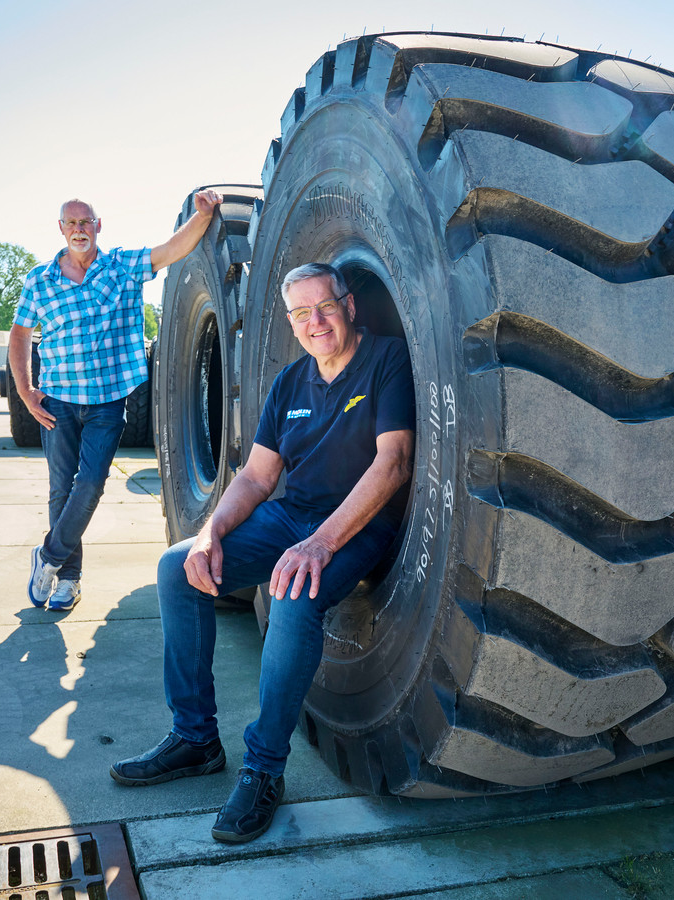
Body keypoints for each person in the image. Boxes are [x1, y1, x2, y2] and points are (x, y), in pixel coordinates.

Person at [110, 262, 415, 843]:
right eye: (301, 313)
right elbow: (255, 477)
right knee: (177, 569)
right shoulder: (289, 383)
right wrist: (210, 534)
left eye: (325, 306)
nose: (315, 321)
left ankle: (264, 770)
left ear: (349, 307)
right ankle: (195, 739)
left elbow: (393, 462)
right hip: (290, 517)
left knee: (294, 594)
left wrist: (320, 542)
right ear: (291, 323)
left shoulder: (386, 360)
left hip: (356, 525)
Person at [10, 191, 222, 611]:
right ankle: (68, 580)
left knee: (89, 484)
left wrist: (202, 216)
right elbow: (20, 334)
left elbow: (171, 250)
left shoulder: (121, 267)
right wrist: (25, 390)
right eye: (71, 223)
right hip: (57, 402)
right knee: (60, 491)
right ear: (61, 229)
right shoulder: (39, 279)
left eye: (86, 222)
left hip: (107, 401)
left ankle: (48, 556)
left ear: (98, 226)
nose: (79, 230)